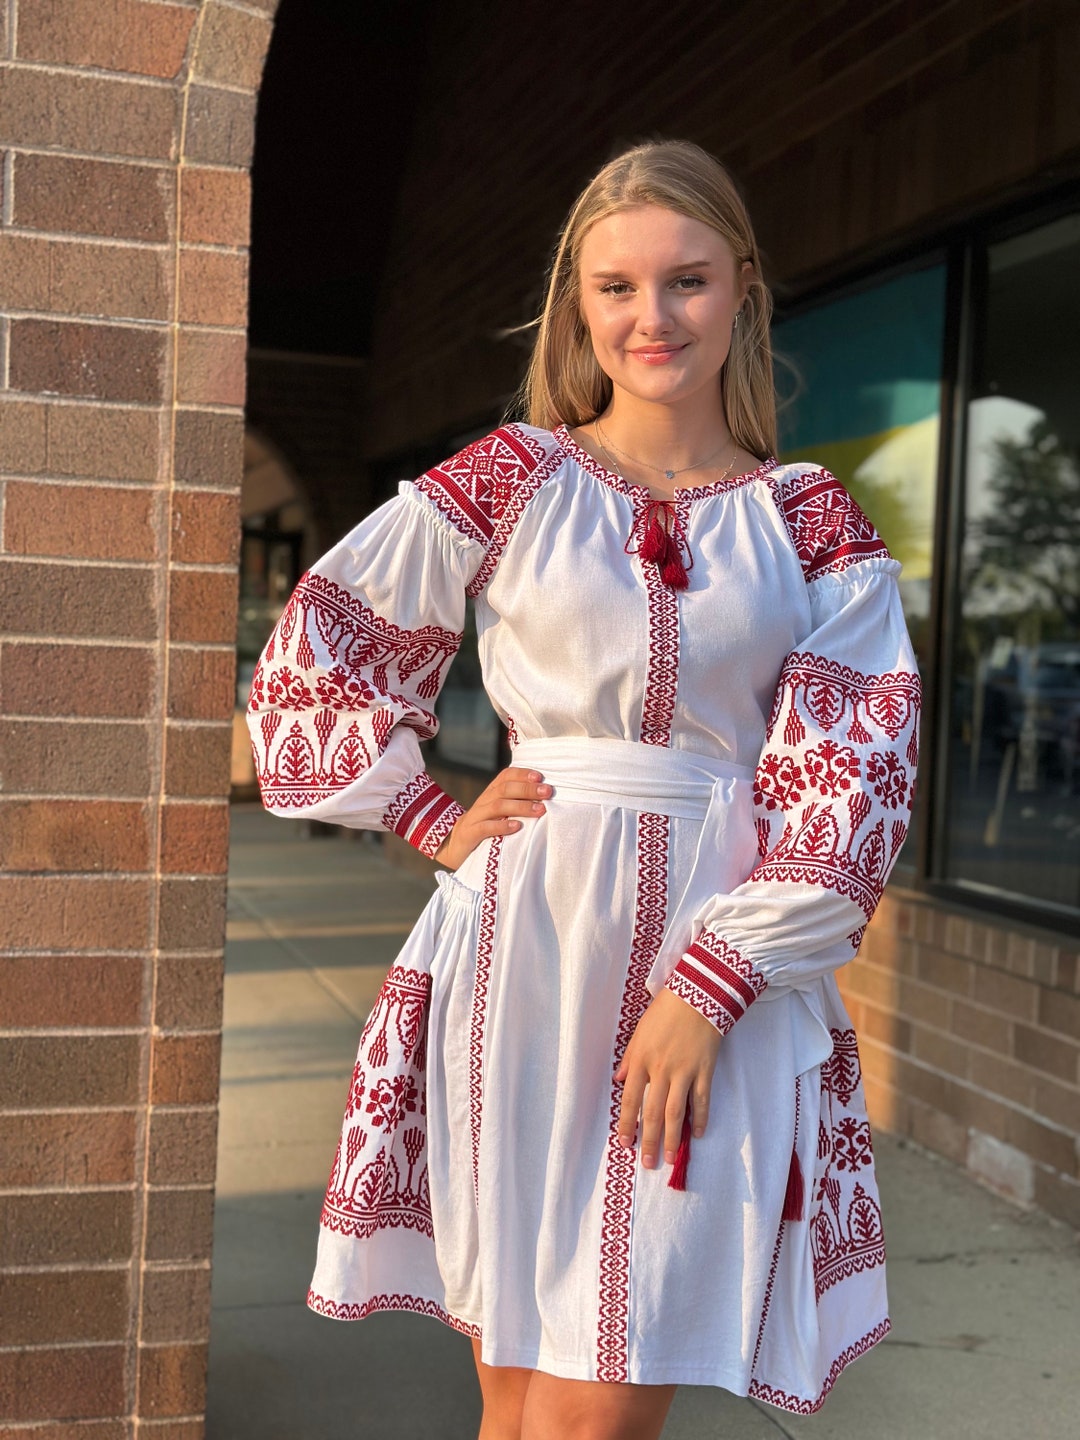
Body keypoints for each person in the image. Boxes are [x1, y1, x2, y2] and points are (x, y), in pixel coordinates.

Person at [246, 139, 921, 1438]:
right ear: (577, 302)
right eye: (615, 287)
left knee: (585, 1415)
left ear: (743, 290)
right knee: (512, 1397)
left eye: (686, 282)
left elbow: (857, 773)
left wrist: (712, 984)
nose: (650, 319)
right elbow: (319, 645)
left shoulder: (808, 517)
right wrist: (425, 811)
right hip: (521, 953)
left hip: (713, 978)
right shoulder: (513, 477)